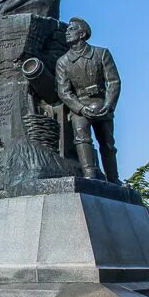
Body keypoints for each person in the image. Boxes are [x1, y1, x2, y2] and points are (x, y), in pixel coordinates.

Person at [55, 17, 122, 184]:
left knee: (108, 144)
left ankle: (114, 179)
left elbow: (113, 82)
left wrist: (109, 104)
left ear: (82, 34)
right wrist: (80, 108)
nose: (67, 32)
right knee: (81, 137)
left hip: (101, 103)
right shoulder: (63, 62)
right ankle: (89, 175)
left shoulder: (101, 54)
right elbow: (64, 92)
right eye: (67, 30)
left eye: (71, 30)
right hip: (80, 106)